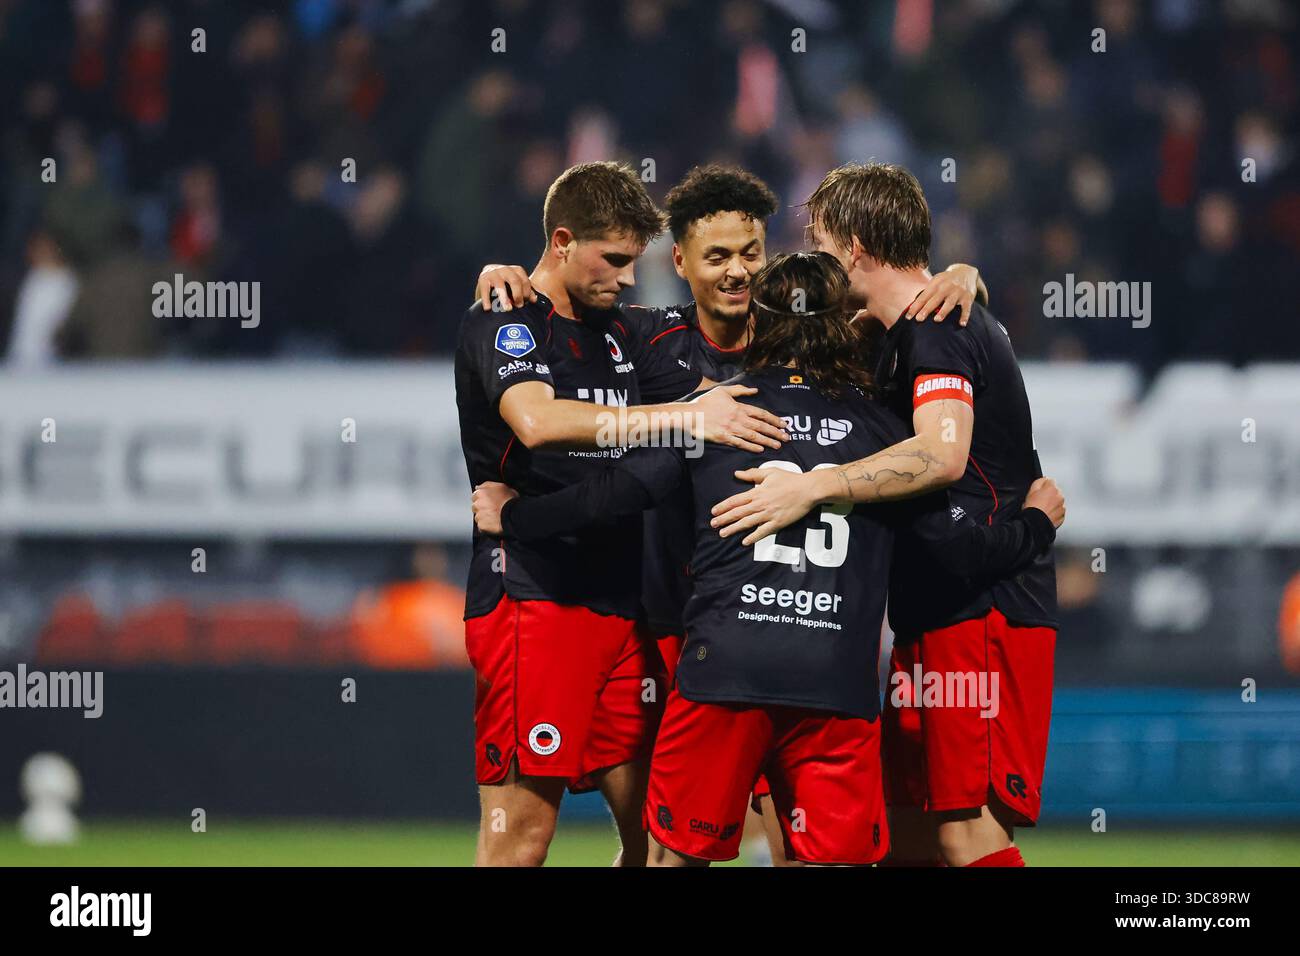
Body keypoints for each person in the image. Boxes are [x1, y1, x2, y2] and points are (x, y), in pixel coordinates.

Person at [471, 252, 1063, 866]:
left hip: (726, 673)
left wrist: (517, 517)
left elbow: (618, 494)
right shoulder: (887, 434)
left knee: (673, 859)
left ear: (757, 322)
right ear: (845, 325)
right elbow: (949, 540)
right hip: (835, 681)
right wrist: (1033, 527)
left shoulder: (712, 414)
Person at [711, 163, 1060, 867]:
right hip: (934, 610)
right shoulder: (904, 330)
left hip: (985, 609)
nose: (810, 254)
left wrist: (818, 487)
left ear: (858, 247)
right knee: (908, 838)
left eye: (821, 240)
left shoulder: (937, 332)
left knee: (968, 832)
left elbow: (941, 455)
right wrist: (966, 269)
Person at [454, 160, 787, 867]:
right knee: (522, 835)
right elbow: (537, 421)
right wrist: (678, 418)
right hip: (534, 598)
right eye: (613, 259)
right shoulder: (506, 320)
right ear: (563, 241)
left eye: (635, 262)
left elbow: (723, 394)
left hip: (624, 610)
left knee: (655, 836)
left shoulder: (622, 335)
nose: (628, 279)